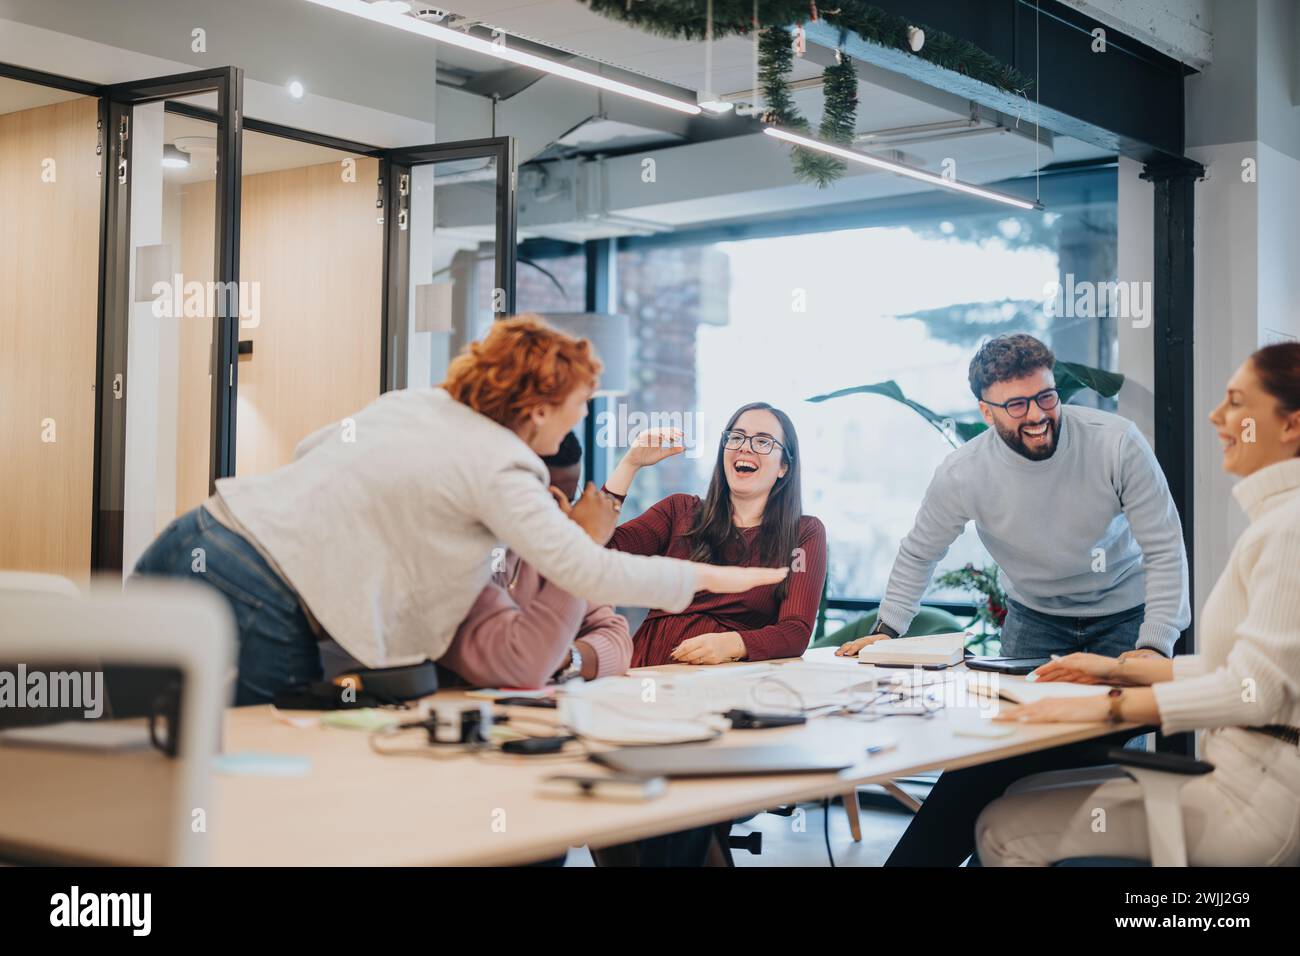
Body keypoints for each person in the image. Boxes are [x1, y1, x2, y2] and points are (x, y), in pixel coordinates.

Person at [132, 316, 785, 704]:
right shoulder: (506, 464)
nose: (582, 417)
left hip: (195, 535)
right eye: (579, 404)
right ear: (537, 410)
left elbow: (311, 452)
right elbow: (572, 580)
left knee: (126, 756)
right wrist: (632, 557)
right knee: (266, 769)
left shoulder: (416, 405)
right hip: (261, 593)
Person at [975, 343, 1300, 866]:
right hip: (1247, 780)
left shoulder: (1290, 529)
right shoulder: (1277, 520)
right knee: (1018, 793)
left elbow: (1251, 692)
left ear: (1290, 426)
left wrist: (1112, 704)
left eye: (1237, 403)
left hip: (1257, 802)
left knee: (999, 827)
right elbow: (1241, 672)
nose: (1217, 417)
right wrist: (1118, 671)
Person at [838, 333, 1190, 662]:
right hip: (1035, 619)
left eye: (1046, 397)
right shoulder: (963, 472)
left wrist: (1156, 645)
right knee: (1022, 724)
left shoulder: (1117, 443)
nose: (1037, 415)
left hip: (1125, 613)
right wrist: (887, 631)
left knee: (1121, 726)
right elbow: (920, 552)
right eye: (1018, 405)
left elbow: (1164, 547)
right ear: (987, 412)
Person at [602, 402, 827, 667]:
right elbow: (596, 551)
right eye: (737, 437)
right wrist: (629, 465)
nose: (745, 447)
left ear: (783, 468)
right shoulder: (679, 511)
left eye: (763, 441)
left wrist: (732, 644)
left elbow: (795, 632)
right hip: (646, 672)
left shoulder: (803, 533)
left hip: (721, 681)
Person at [439, 433, 633, 688]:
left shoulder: (561, 542)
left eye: (568, 499)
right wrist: (581, 548)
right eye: (547, 499)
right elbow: (515, 661)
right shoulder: (463, 546)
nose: (561, 512)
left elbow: (616, 640)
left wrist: (563, 657)